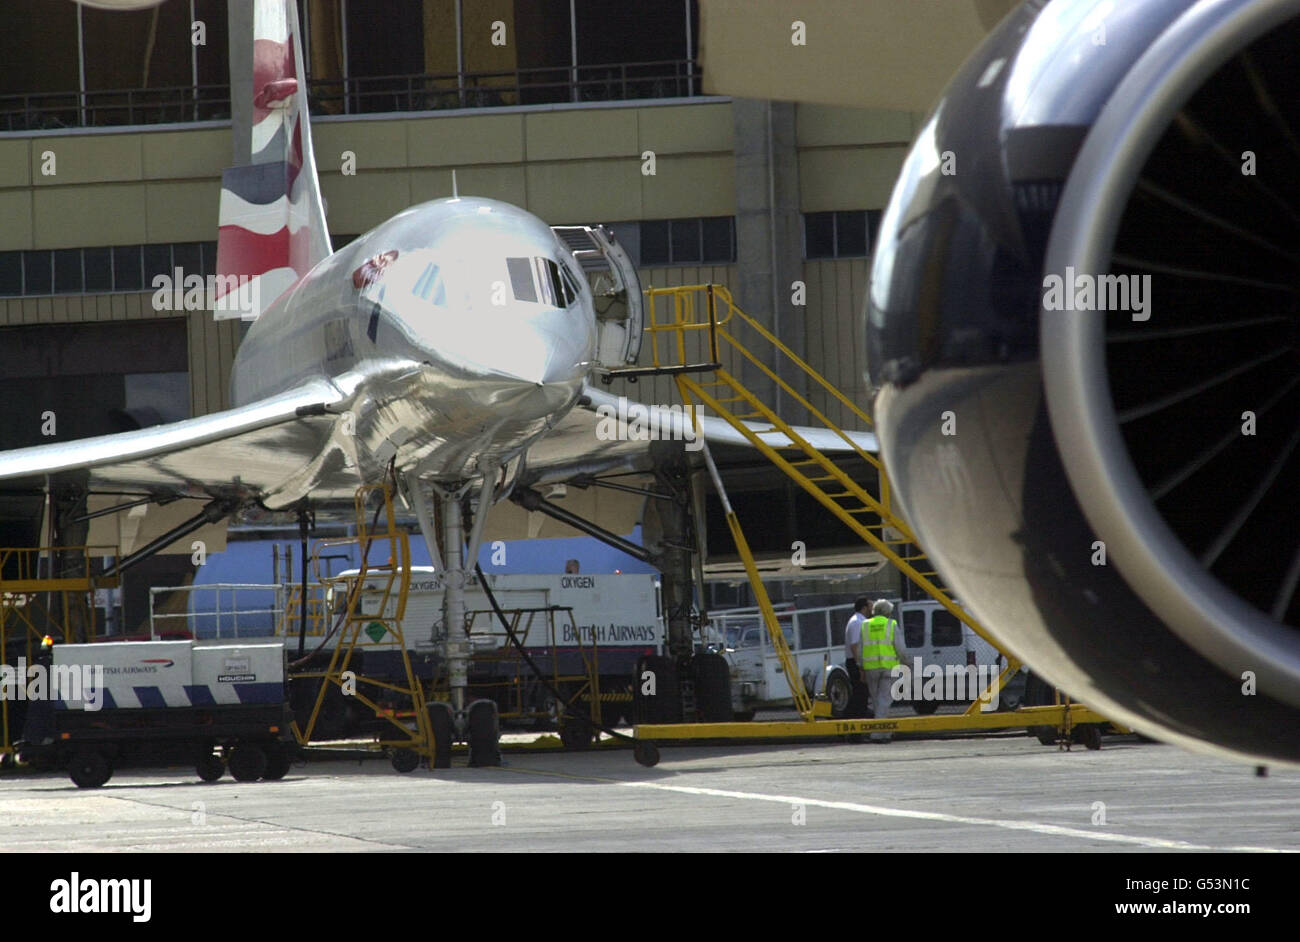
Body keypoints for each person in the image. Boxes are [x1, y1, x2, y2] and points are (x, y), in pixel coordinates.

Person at [861, 599, 901, 742]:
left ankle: (885, 732)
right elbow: (899, 647)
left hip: (870, 668)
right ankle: (877, 733)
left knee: (877, 701)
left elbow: (860, 648)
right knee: (884, 700)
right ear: (888, 613)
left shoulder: (865, 625)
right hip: (888, 667)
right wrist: (906, 662)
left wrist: (861, 667)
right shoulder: (891, 625)